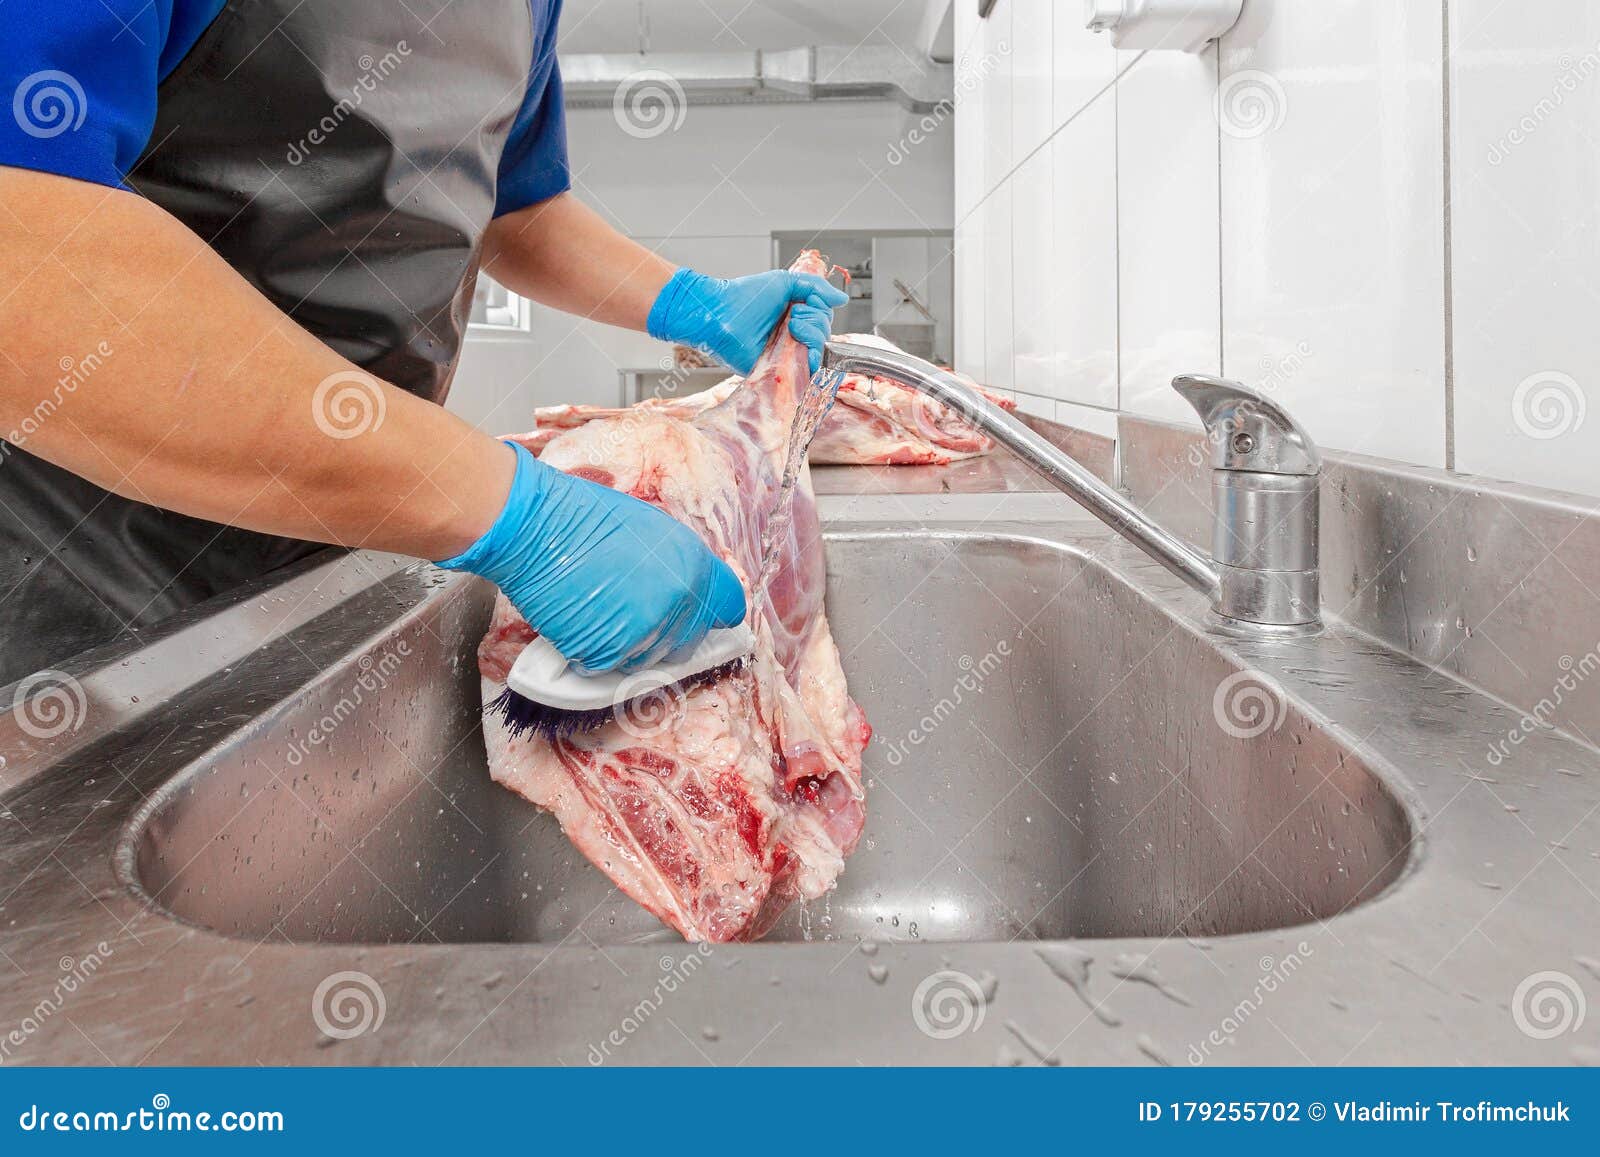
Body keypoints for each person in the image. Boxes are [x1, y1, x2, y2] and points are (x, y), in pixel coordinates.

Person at [0, 0, 848, 684]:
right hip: (75, 583)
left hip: (346, 536)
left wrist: (689, 303)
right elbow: (22, 244)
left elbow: (514, 208)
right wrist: (506, 509)